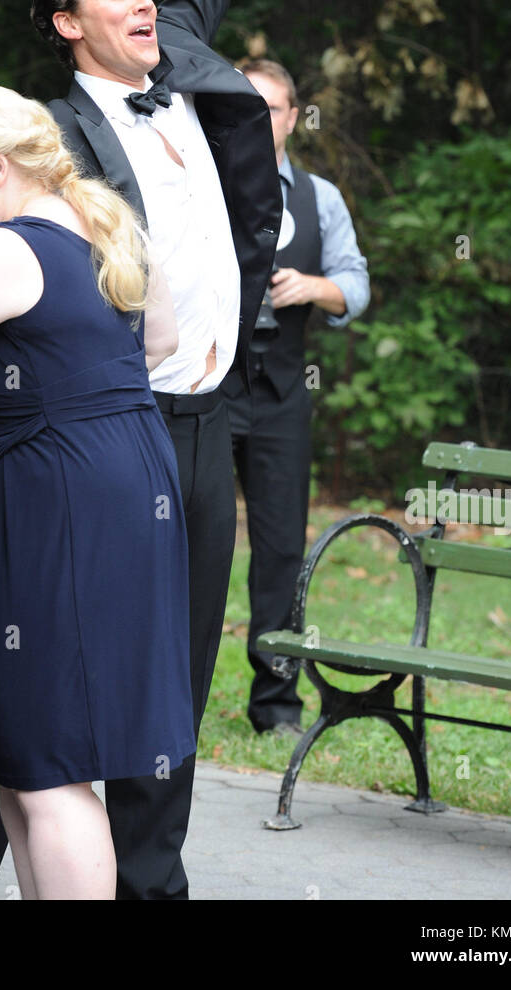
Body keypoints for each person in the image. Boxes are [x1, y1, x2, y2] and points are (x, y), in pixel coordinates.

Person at [0, 0, 296, 901]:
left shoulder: (184, 55)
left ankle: (150, 885)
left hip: (208, 422)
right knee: (35, 675)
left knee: (165, 684)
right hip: (99, 428)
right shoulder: (55, 138)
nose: (145, 2)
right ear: (66, 22)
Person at [0, 85, 196, 900]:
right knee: (30, 757)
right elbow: (158, 343)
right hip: (119, 476)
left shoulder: (4, 252)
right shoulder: (102, 226)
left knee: (50, 764)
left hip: (53, 497)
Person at [222, 58, 370, 735]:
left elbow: (356, 286)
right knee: (192, 544)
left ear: (291, 117)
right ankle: (173, 700)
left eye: (271, 109)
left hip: (282, 396)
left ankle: (275, 705)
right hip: (205, 389)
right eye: (243, 106)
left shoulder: (321, 198)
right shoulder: (198, 186)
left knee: (281, 549)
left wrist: (313, 287)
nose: (259, 120)